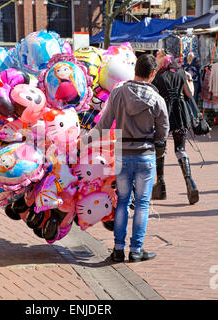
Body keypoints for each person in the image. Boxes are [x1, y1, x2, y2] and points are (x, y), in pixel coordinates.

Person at [80, 54, 169, 263]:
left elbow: (102, 126)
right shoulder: (157, 99)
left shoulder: (118, 93)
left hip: (121, 154)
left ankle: (118, 249)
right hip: (145, 155)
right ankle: (136, 250)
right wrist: (153, 139)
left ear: (135, 70)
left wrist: (83, 141)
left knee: (122, 201)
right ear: (153, 74)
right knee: (142, 204)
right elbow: (163, 131)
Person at [152, 49, 199, 205]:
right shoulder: (180, 72)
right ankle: (190, 182)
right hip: (180, 113)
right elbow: (189, 94)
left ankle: (161, 186)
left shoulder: (157, 76)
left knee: (161, 148)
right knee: (180, 150)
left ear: (161, 60)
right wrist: (190, 81)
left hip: (164, 115)